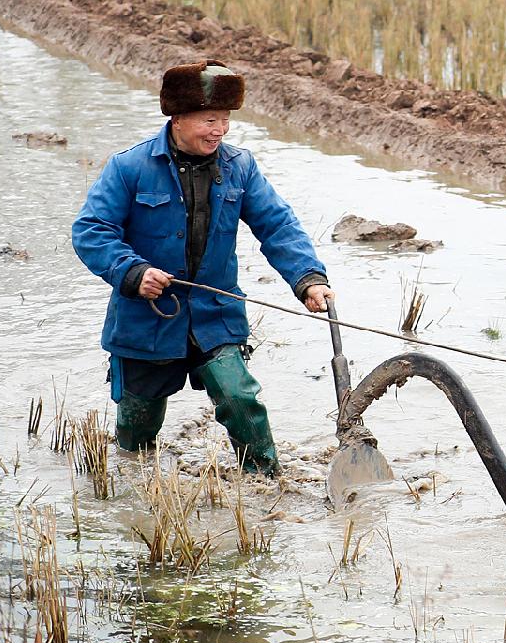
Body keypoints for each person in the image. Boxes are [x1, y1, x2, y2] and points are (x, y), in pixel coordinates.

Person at [72, 60, 331, 475]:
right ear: (177, 119)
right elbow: (91, 231)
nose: (220, 130)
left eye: (225, 120)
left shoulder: (239, 167)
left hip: (215, 315)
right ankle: (134, 488)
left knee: (240, 398)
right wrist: (133, 273)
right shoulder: (130, 168)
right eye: (210, 119)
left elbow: (277, 224)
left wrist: (308, 279)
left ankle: (266, 482)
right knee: (137, 437)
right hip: (148, 320)